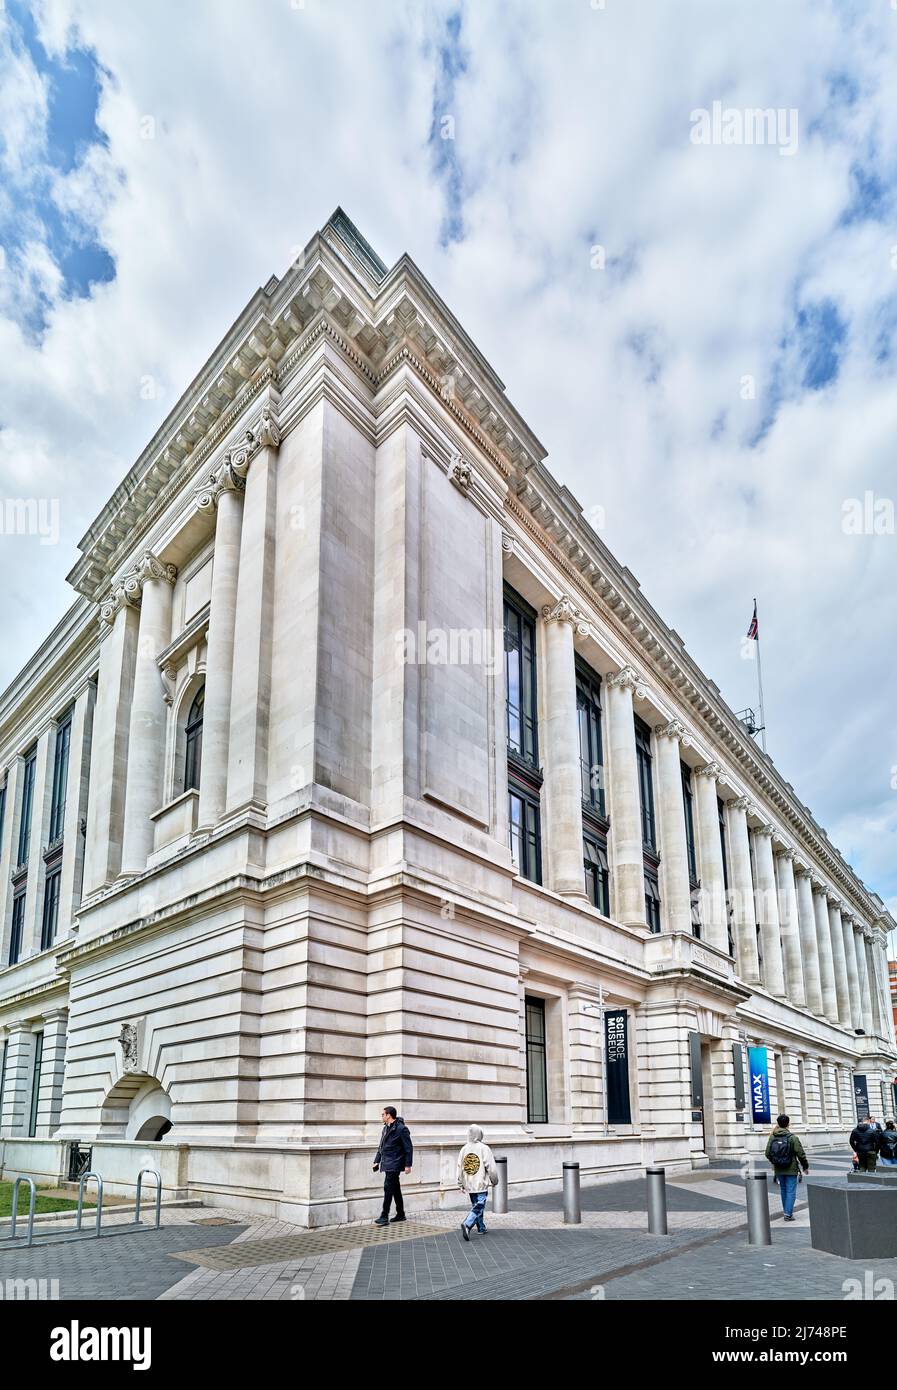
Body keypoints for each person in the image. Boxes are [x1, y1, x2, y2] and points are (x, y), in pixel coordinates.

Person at [457, 1124, 499, 1240]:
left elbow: (459, 1167)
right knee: (479, 1206)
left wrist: (460, 1183)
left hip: (469, 1183)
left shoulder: (464, 1149)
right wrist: (494, 1180)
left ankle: (481, 1227)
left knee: (476, 1205)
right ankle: (467, 1223)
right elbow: (491, 1167)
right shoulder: (484, 1148)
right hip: (480, 1183)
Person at [372, 1106, 413, 1226]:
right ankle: (401, 1214)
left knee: (388, 1187)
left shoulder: (401, 1129)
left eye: (383, 1114)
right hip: (387, 1162)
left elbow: (408, 1148)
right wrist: (377, 1160)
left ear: (388, 1115)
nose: (382, 1116)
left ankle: (384, 1216)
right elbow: (381, 1146)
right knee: (395, 1188)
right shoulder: (385, 1129)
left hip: (395, 1162)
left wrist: (408, 1165)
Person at [765, 1113, 809, 1221]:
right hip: (791, 1168)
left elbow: (767, 1153)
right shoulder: (792, 1138)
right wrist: (805, 1166)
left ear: (778, 1124)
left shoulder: (772, 1137)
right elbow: (800, 1154)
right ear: (788, 1124)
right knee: (790, 1191)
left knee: (783, 1190)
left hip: (778, 1169)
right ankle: (788, 1214)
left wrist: (775, 1161)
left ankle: (786, 1211)